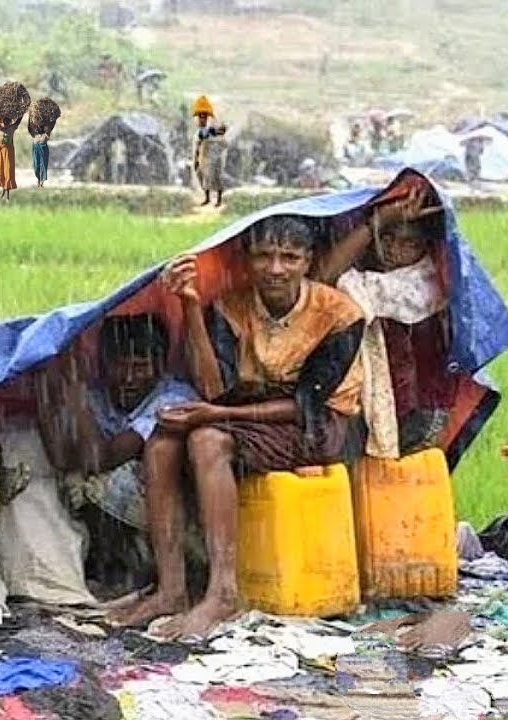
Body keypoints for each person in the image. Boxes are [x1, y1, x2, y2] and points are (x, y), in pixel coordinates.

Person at [110, 216, 365, 640]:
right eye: (264, 256)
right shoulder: (231, 306)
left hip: (320, 424)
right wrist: (190, 305)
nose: (276, 268)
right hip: (248, 411)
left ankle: (223, 592)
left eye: (290, 257)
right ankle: (171, 588)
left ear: (308, 261)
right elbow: (215, 389)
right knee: (162, 440)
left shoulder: (340, 314)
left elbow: (305, 405)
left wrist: (214, 417)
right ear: (248, 260)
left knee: (208, 441)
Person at [43, 315, 200, 592]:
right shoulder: (99, 395)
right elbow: (61, 457)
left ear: (161, 367)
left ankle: (162, 578)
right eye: (120, 366)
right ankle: (109, 568)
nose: (129, 378)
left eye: (140, 367)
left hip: (178, 521)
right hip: (124, 522)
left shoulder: (173, 399)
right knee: (67, 480)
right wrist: (55, 387)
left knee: (97, 481)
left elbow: (100, 458)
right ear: (103, 366)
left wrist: (75, 388)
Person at [315, 181, 453, 458]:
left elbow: (323, 278)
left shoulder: (422, 285)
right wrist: (378, 222)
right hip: (384, 402)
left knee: (397, 480)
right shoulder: (372, 275)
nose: (393, 250)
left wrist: (378, 222)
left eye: (409, 243)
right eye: (387, 238)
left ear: (426, 247)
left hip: (416, 410)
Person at [192, 95, 228, 207]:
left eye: (204, 116)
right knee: (204, 177)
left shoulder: (212, 128)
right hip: (204, 159)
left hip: (214, 158)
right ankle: (207, 198)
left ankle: (219, 199)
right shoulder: (200, 131)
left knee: (217, 178)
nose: (202, 119)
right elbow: (198, 145)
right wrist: (196, 159)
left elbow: (220, 136)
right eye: (200, 116)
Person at [0, 113, 21, 200]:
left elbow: (18, 122)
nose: (6, 122)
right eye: (5, 121)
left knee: (8, 171)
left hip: (8, 153)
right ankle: (3, 188)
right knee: (0, 171)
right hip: (0, 153)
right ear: (2, 121)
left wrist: (22, 113)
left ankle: (7, 191)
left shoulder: (11, 129)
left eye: (8, 121)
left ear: (9, 122)